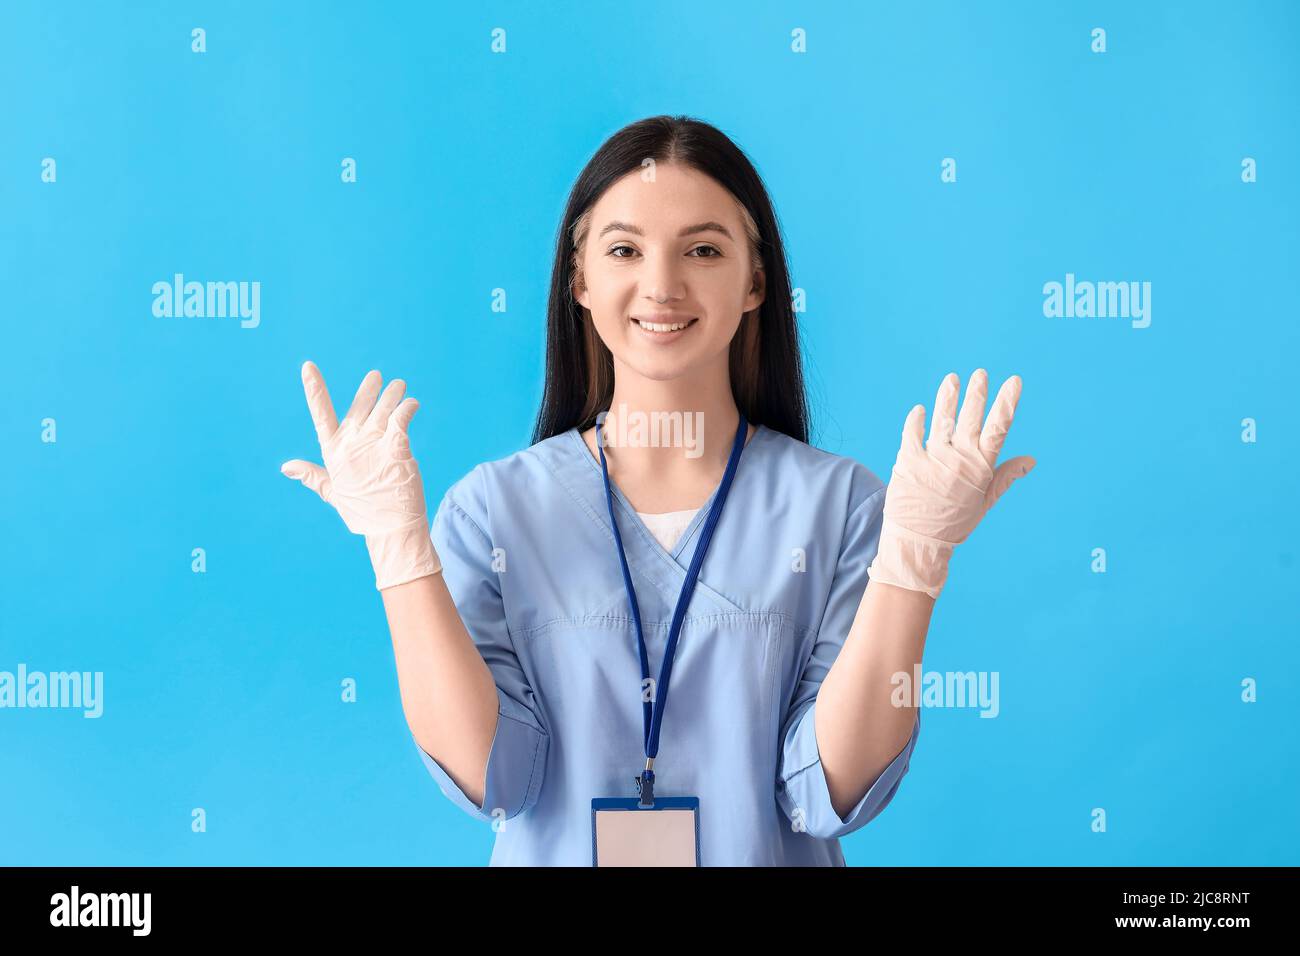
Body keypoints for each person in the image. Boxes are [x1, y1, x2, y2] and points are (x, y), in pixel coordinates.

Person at [280, 115, 1035, 866]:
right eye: (624, 250)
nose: (662, 286)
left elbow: (830, 790)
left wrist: (915, 560)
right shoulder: (492, 512)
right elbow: (493, 779)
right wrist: (397, 552)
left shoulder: (841, 510)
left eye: (703, 250)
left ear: (755, 281)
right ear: (580, 280)